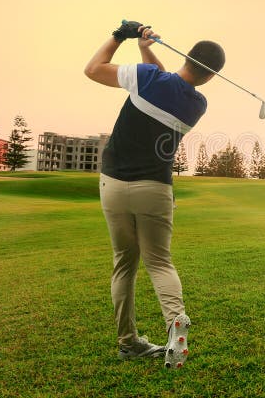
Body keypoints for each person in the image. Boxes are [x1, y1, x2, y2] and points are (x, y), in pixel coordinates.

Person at [84, 20, 225, 369]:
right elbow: (166, 83)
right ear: (210, 76)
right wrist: (146, 49)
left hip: (113, 185)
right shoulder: (197, 104)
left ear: (187, 56)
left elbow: (94, 69)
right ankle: (175, 322)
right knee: (159, 262)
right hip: (155, 189)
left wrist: (121, 35)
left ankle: (128, 342)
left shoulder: (147, 78)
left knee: (124, 264)